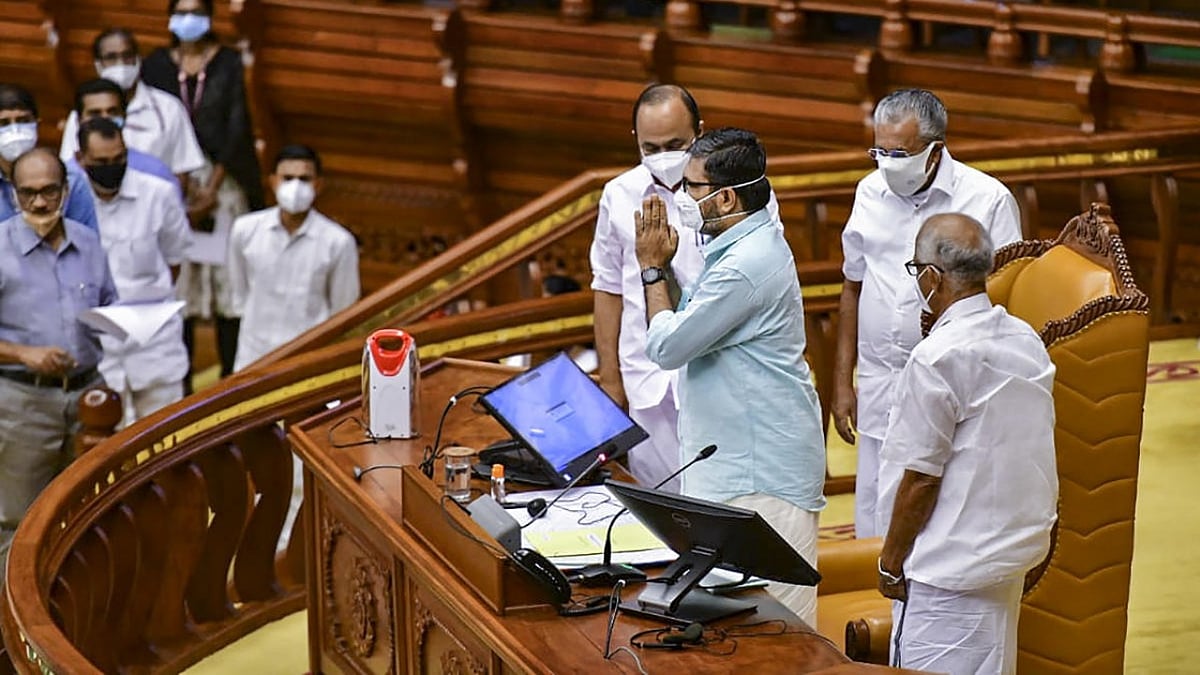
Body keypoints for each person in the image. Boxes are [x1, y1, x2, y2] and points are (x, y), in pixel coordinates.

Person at [638, 128, 825, 626]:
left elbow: (666, 346)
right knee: (733, 635)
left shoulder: (746, 264)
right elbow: (688, 324)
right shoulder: (737, 244)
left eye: (690, 188)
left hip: (761, 480)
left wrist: (654, 269)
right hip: (734, 472)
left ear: (724, 197)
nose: (680, 198)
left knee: (782, 637)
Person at [833, 88, 1022, 538]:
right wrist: (842, 382)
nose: (887, 162)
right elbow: (852, 286)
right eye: (879, 150)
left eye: (900, 153)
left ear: (935, 149)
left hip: (954, 388)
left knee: (934, 513)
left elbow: (1007, 300)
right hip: (881, 383)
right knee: (874, 517)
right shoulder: (869, 191)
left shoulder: (987, 200)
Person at [876, 213, 1057, 674]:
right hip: (1011, 557)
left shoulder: (937, 357)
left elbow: (920, 479)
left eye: (916, 270)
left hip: (945, 572)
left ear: (932, 277)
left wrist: (890, 562)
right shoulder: (1027, 340)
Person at [589, 84, 777, 492]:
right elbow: (607, 288)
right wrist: (610, 381)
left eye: (675, 144)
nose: (664, 156)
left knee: (723, 506)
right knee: (660, 511)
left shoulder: (738, 193)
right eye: (651, 147)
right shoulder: (618, 195)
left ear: (700, 132)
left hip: (721, 378)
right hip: (647, 380)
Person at [0, 148, 117, 574]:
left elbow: (107, 304)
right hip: (22, 403)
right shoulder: (0, 248)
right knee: (17, 523)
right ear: (14, 196)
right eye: (27, 193)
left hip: (89, 399)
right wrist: (23, 353)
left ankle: (67, 628)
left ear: (66, 191)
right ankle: (9, 638)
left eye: (49, 191)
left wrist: (128, 322)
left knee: (87, 516)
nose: (39, 203)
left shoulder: (87, 242)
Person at [142, 0, 265, 383]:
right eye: (181, 10)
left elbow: (237, 125)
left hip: (223, 183)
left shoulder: (227, 61)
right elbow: (156, 123)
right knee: (183, 288)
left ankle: (229, 377)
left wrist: (209, 189)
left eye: (196, 10)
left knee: (229, 285)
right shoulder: (156, 64)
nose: (188, 18)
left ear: (210, 17)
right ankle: (181, 383)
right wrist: (185, 186)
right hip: (172, 183)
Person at [77, 118, 191, 427]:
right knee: (104, 452)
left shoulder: (159, 194)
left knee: (166, 442)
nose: (112, 167)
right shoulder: (69, 202)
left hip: (154, 343)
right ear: (81, 159)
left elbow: (174, 259)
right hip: (96, 348)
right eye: (101, 162)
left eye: (119, 159)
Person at [228, 144, 358, 371]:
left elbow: (343, 309)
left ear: (318, 185)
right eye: (287, 178)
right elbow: (239, 294)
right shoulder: (245, 230)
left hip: (308, 360)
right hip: (253, 356)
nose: (295, 186)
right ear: (273, 181)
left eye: (304, 179)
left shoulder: (338, 242)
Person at [60, 28, 207, 185]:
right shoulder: (82, 113)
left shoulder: (169, 108)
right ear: (98, 64)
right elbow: (71, 170)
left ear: (138, 60)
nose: (120, 63)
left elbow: (182, 171)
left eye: (127, 56)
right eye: (111, 57)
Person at [0, 84, 99, 231]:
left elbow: (86, 245)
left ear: (36, 125)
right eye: (4, 123)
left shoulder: (71, 182)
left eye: (23, 120)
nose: (15, 130)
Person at [63, 79, 181, 197]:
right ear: (79, 120)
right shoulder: (65, 178)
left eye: (112, 112)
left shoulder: (156, 172)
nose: (105, 119)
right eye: (95, 114)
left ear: (124, 116)